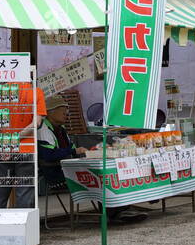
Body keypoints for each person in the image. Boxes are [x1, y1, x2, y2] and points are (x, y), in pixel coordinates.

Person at [38, 95, 145, 223]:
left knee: (106, 173)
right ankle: (115, 212)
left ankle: (120, 209)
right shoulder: (43, 129)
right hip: (55, 173)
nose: (66, 113)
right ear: (51, 111)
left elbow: (73, 148)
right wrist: (73, 151)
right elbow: (48, 155)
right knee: (100, 176)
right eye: (62, 109)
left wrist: (92, 150)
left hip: (67, 168)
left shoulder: (61, 129)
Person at [0, 83, 47, 209]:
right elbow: (36, 123)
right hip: (26, 149)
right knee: (24, 195)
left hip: (2, 150)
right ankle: (23, 228)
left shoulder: (0, 90)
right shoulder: (36, 92)